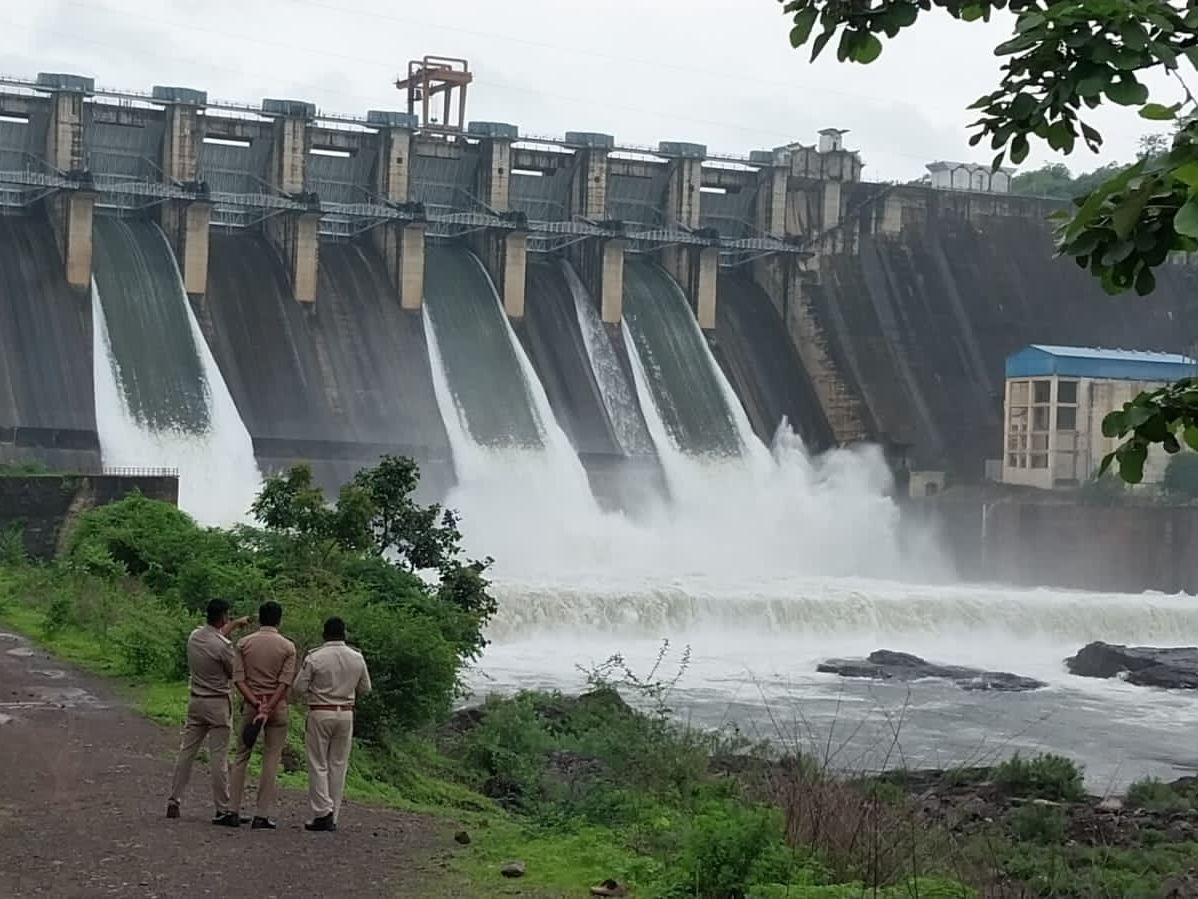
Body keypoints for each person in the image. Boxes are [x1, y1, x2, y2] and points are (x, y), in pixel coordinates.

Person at [166, 598, 250, 825]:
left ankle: (174, 799)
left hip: (196, 701)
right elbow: (232, 669)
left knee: (187, 752)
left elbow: (217, 636)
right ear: (223, 616)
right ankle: (223, 808)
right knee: (218, 757)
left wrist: (233, 625)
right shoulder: (224, 647)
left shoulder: (194, 637)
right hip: (217, 703)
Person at [291, 616, 372, 832]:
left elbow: (298, 688)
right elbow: (365, 688)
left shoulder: (316, 657)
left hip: (320, 711)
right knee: (338, 764)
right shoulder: (357, 657)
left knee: (318, 763)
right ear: (344, 634)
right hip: (346, 713)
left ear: (324, 634)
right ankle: (333, 814)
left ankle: (321, 812)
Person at [227, 600, 297, 830]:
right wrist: (268, 707)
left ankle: (232, 809)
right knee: (271, 759)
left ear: (260, 617)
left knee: (241, 756)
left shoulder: (244, 643)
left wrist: (256, 703)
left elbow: (238, 679)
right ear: (279, 619)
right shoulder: (288, 647)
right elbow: (284, 683)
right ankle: (261, 814)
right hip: (276, 708)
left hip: (251, 705)